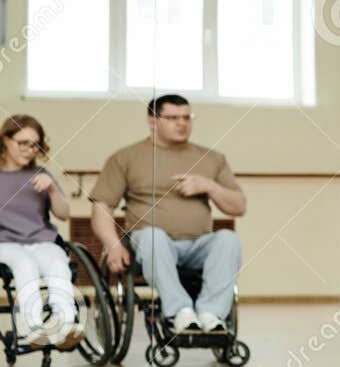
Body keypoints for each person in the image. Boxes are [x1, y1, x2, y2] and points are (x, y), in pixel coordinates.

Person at [90, 95, 247, 333]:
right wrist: (112, 245)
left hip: (198, 245)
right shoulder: (125, 157)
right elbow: (101, 207)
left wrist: (209, 186)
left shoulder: (212, 158)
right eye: (173, 118)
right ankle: (179, 312)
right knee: (154, 236)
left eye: (187, 117)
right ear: (152, 121)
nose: (182, 123)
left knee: (229, 239)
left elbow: (238, 207)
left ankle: (210, 313)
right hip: (149, 244)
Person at [0, 115, 80, 348]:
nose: (29, 150)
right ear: (5, 140)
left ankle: (65, 324)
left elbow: (64, 214)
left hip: (41, 240)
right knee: (25, 265)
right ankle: (33, 327)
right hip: (5, 243)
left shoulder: (42, 174)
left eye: (35, 144)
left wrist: (53, 189)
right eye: (22, 142)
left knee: (57, 262)